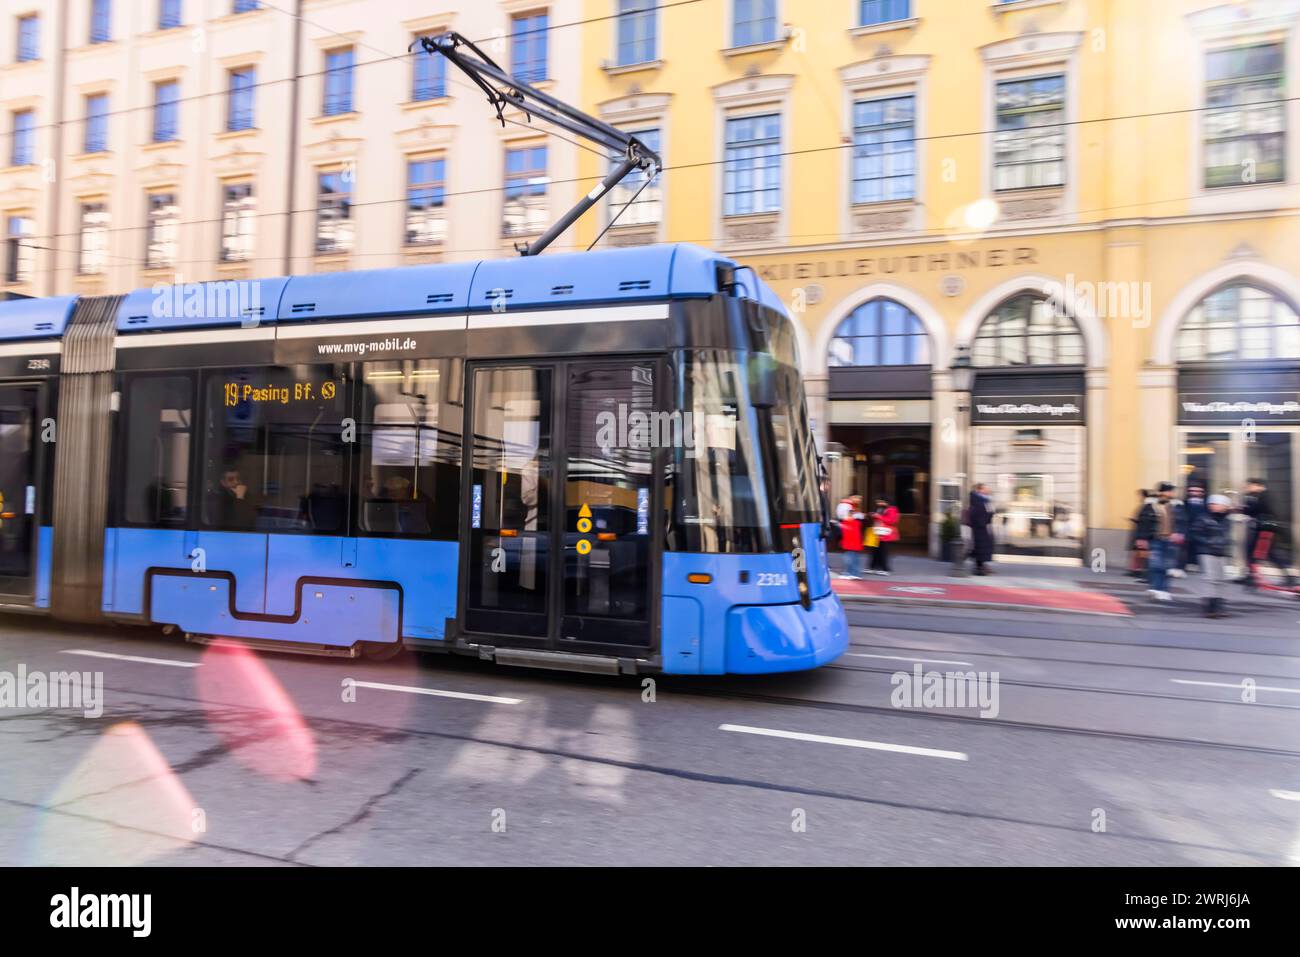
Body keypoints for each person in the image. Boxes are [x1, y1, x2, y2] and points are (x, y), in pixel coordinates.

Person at [1134, 481, 1185, 602]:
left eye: (1171, 491)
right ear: (1161, 492)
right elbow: (1142, 523)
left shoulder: (1177, 506)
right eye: (1168, 491)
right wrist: (1141, 538)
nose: (1171, 493)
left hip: (1170, 540)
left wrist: (1180, 533)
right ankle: (1156, 588)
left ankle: (1164, 590)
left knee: (1167, 566)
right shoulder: (1150, 506)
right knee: (1156, 565)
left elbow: (1183, 522)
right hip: (1155, 539)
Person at [1192, 494, 1232, 618]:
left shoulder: (1226, 520)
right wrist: (1208, 542)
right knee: (1210, 579)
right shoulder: (1203, 518)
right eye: (1212, 504)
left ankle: (1219, 607)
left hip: (1220, 552)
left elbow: (1226, 535)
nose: (1214, 506)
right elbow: (1194, 533)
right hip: (1206, 551)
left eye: (1218, 504)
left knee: (1221, 580)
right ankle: (1209, 608)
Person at [966, 483, 994, 575]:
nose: (987, 490)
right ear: (979, 490)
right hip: (980, 527)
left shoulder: (983, 500)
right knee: (980, 547)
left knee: (982, 547)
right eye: (985, 488)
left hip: (982, 526)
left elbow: (988, 512)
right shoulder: (978, 500)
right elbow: (976, 513)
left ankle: (981, 566)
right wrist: (983, 521)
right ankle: (979, 567)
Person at [867, 497, 899, 575]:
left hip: (885, 534)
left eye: (881, 502)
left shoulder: (892, 509)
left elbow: (891, 521)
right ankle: (873, 567)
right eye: (878, 502)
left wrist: (878, 516)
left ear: (887, 502)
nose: (879, 504)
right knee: (875, 551)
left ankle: (885, 569)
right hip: (877, 533)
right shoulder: (880, 509)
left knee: (883, 552)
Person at [1127, 489, 1153, 581]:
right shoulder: (1145, 506)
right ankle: (1136, 570)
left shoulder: (1148, 507)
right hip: (1141, 533)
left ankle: (1142, 572)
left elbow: (1145, 522)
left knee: (1143, 554)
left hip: (1143, 534)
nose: (1139, 498)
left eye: (1141, 496)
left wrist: (1141, 536)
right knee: (1138, 553)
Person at [1181, 485, 1207, 573]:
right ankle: (1187, 564)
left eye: (1198, 491)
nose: (1195, 493)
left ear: (1202, 493)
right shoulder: (1184, 503)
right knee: (1187, 547)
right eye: (1192, 490)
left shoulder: (1206, 505)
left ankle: (1198, 564)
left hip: (1201, 530)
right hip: (1188, 529)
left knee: (1199, 547)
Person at [839, 495, 865, 580]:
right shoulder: (856, 516)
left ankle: (849, 573)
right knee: (854, 556)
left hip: (850, 540)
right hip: (854, 540)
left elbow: (847, 527)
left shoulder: (850, 517)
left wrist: (839, 524)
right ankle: (856, 573)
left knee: (849, 557)